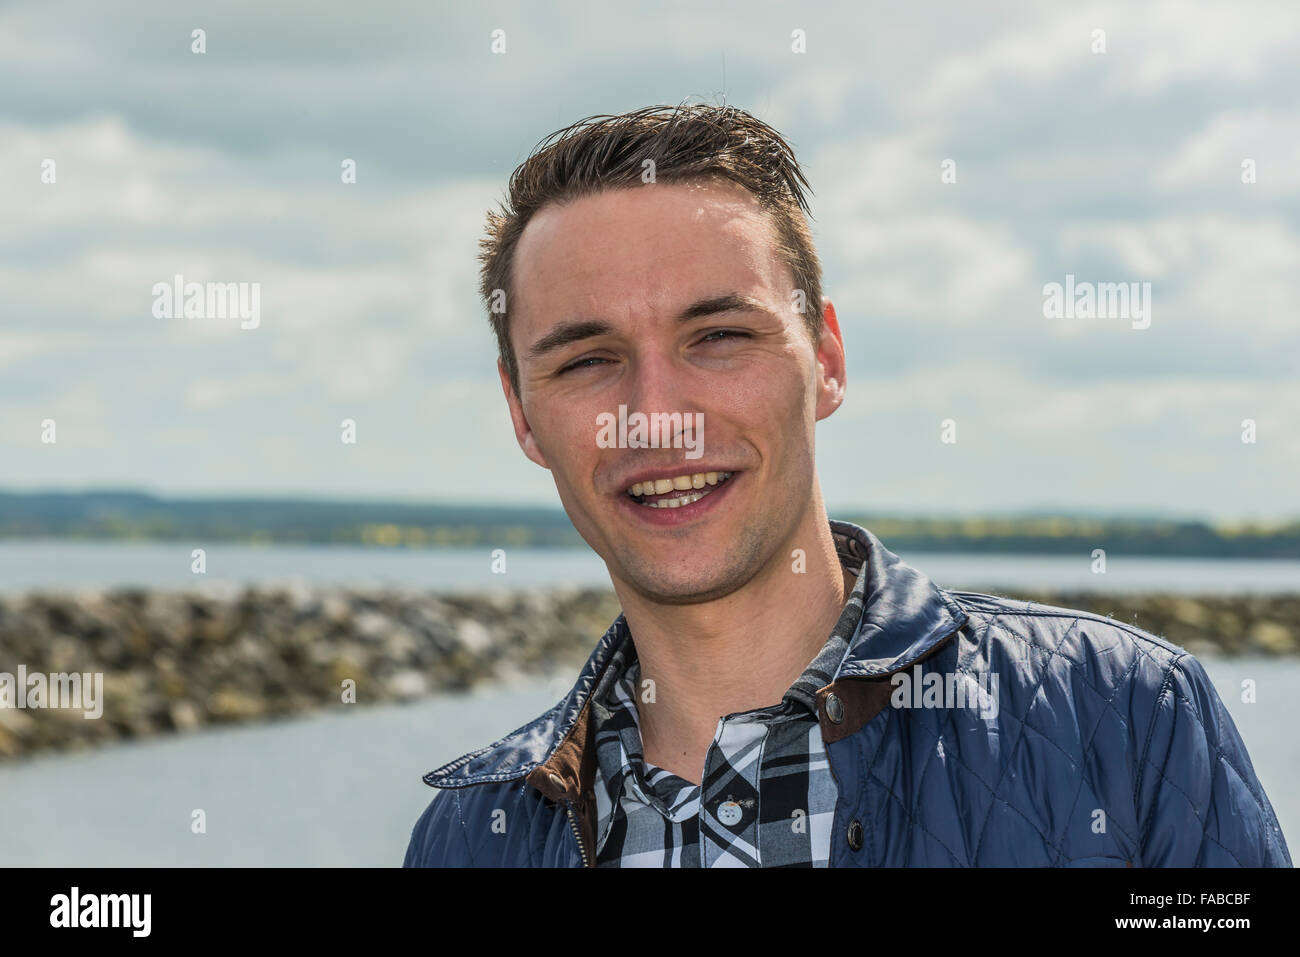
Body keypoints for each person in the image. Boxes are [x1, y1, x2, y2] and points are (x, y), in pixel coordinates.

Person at [404, 103, 1290, 867]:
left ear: (825, 358)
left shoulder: (1125, 718)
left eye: (718, 336)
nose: (657, 415)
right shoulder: (471, 834)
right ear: (522, 412)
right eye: (589, 359)